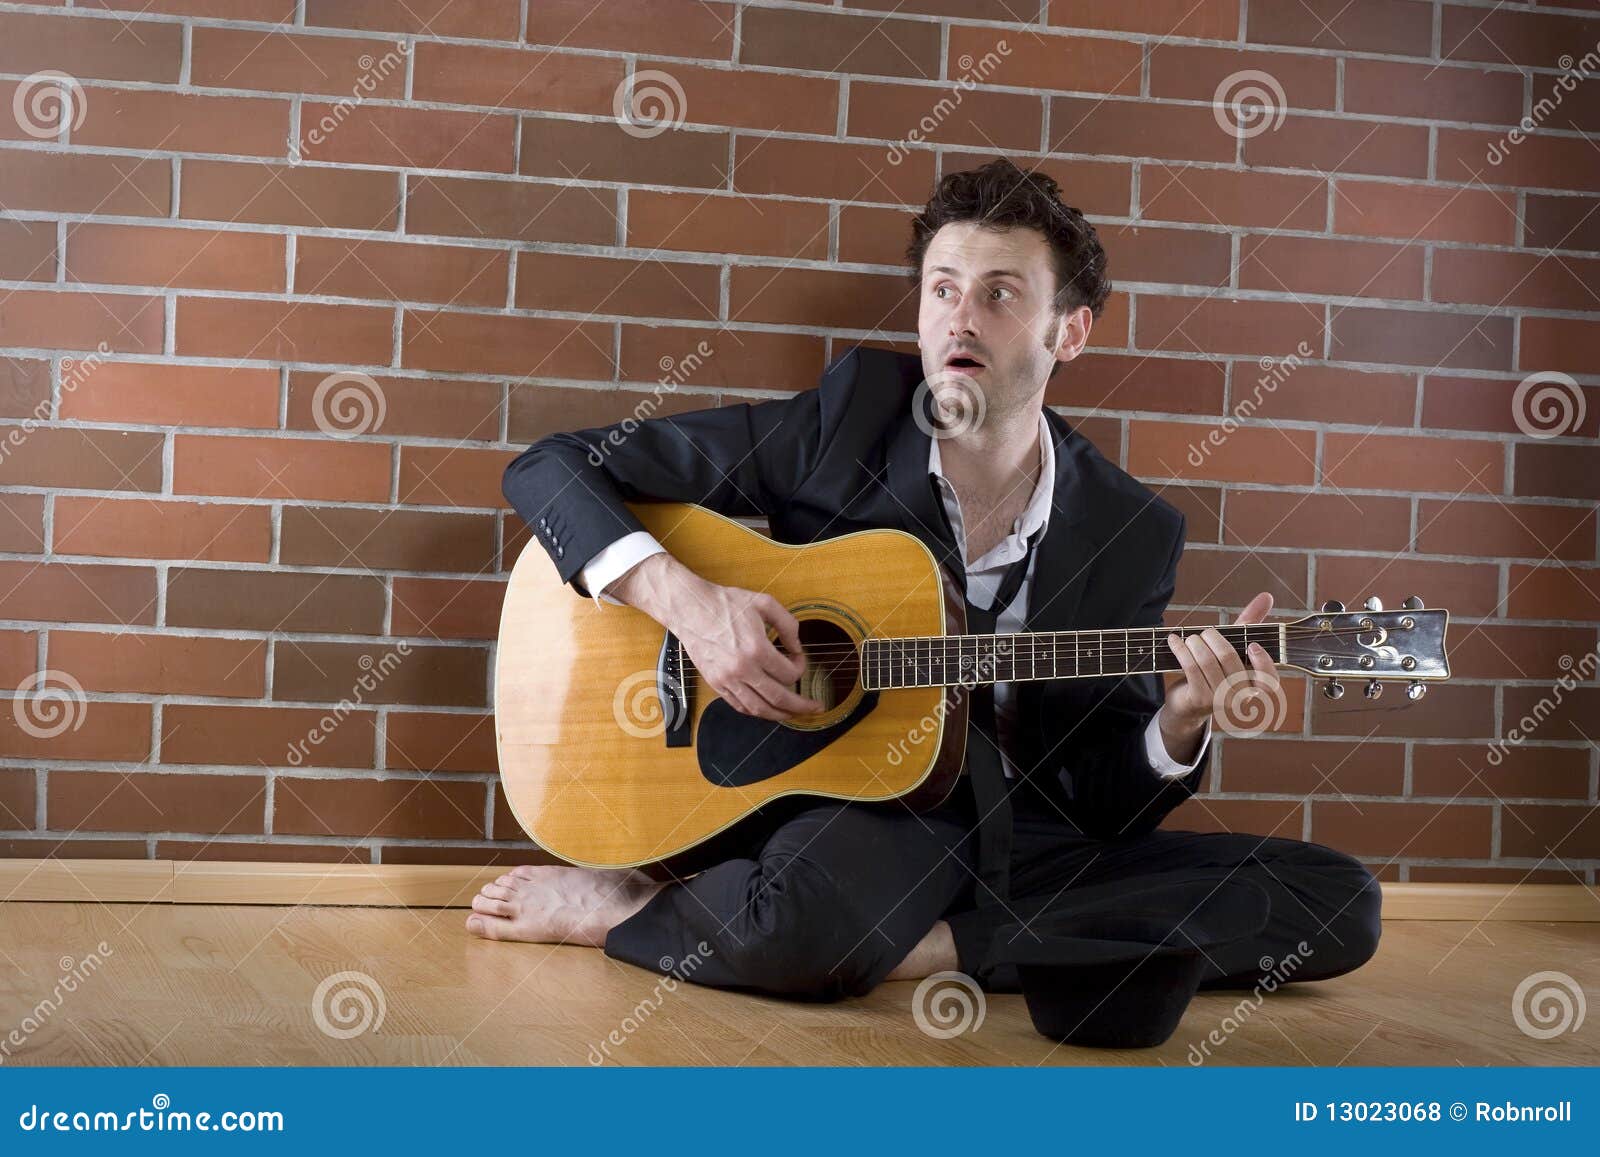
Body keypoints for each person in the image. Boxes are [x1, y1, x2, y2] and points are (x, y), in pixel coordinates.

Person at [473, 157, 1382, 1001]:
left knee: (1338, 900)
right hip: (868, 812)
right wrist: (693, 605)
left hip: (1023, 835)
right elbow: (551, 467)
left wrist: (1178, 723)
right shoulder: (848, 421)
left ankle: (931, 946)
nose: (960, 318)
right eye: (943, 290)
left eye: (998, 295)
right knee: (808, 925)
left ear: (1070, 330)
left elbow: (1108, 806)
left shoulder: (1132, 530)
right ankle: (628, 909)